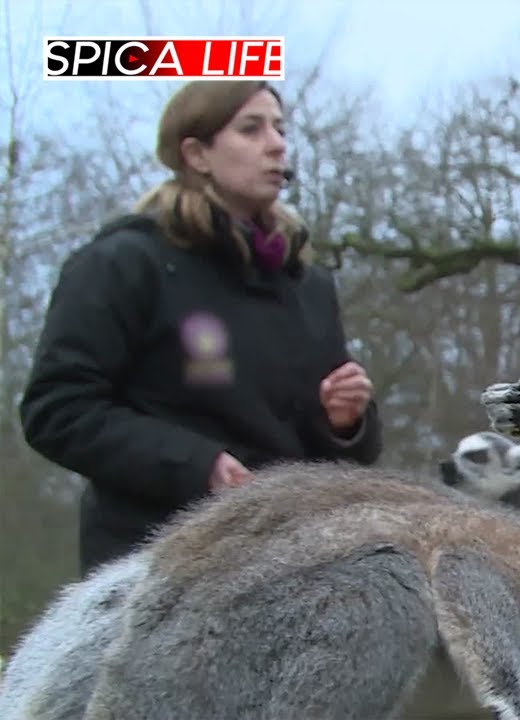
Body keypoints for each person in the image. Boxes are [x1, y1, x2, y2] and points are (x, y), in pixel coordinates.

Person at [19, 80, 383, 576]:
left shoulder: (306, 284)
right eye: (250, 129)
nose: (276, 143)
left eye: (279, 128)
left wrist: (346, 424)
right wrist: (198, 466)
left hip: (288, 565)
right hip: (154, 565)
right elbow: (58, 410)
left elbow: (335, 456)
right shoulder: (124, 263)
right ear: (196, 154)